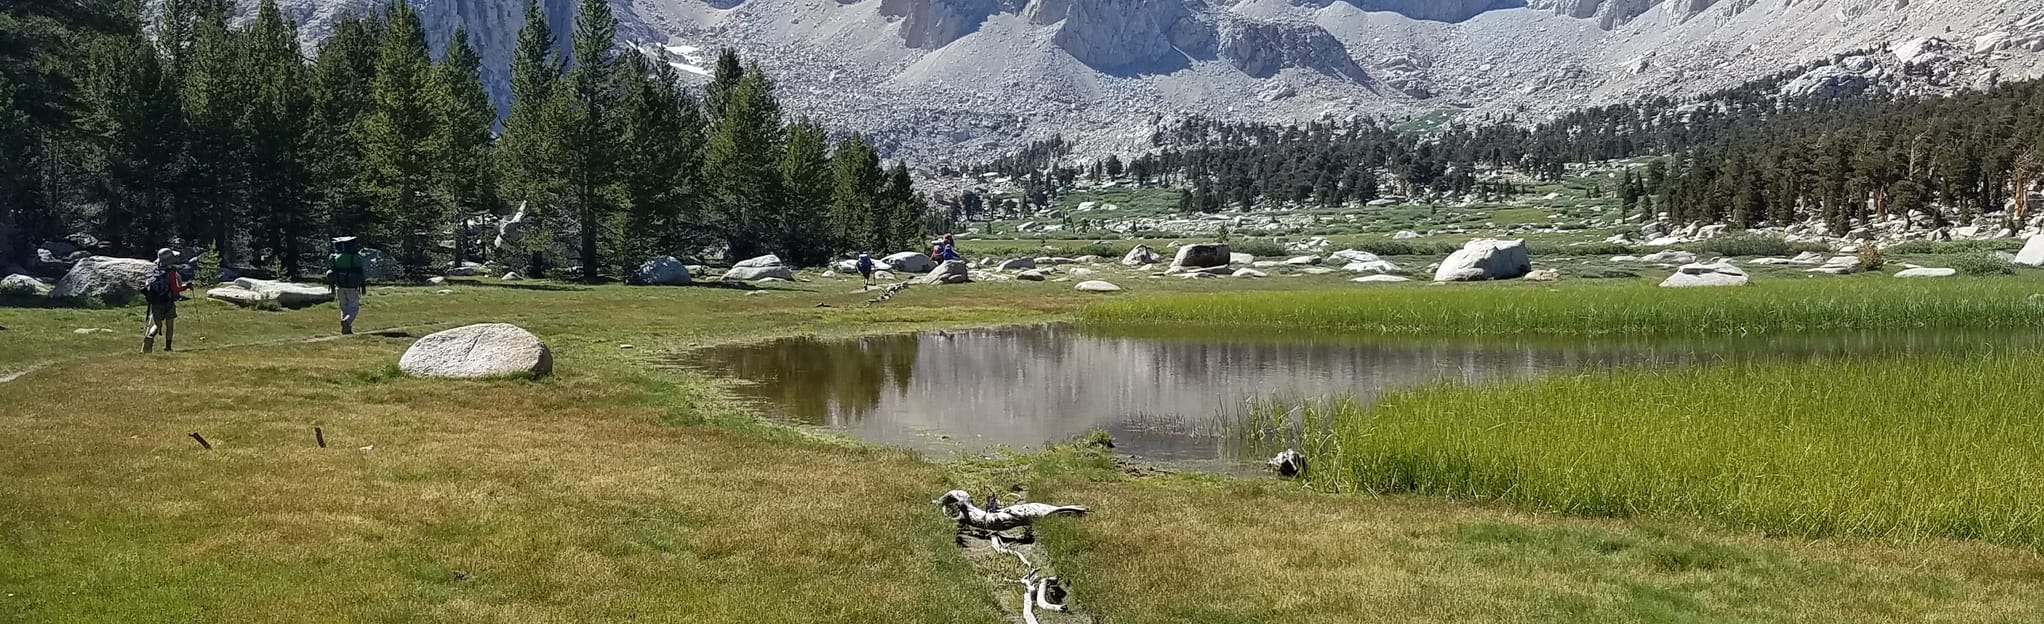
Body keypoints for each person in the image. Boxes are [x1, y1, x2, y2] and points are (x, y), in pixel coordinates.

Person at [142, 248, 188, 353]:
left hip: (155, 303)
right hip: (168, 302)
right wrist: (187, 287)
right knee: (170, 325)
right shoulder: (171, 273)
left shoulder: (156, 271)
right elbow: (175, 288)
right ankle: (168, 347)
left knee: (157, 325)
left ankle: (150, 337)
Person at [326, 237, 367, 335]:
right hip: (352, 286)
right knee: (354, 307)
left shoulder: (334, 256)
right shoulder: (355, 256)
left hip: (339, 286)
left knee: (344, 307)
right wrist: (362, 285)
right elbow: (360, 271)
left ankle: (346, 328)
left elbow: (331, 269)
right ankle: (347, 321)